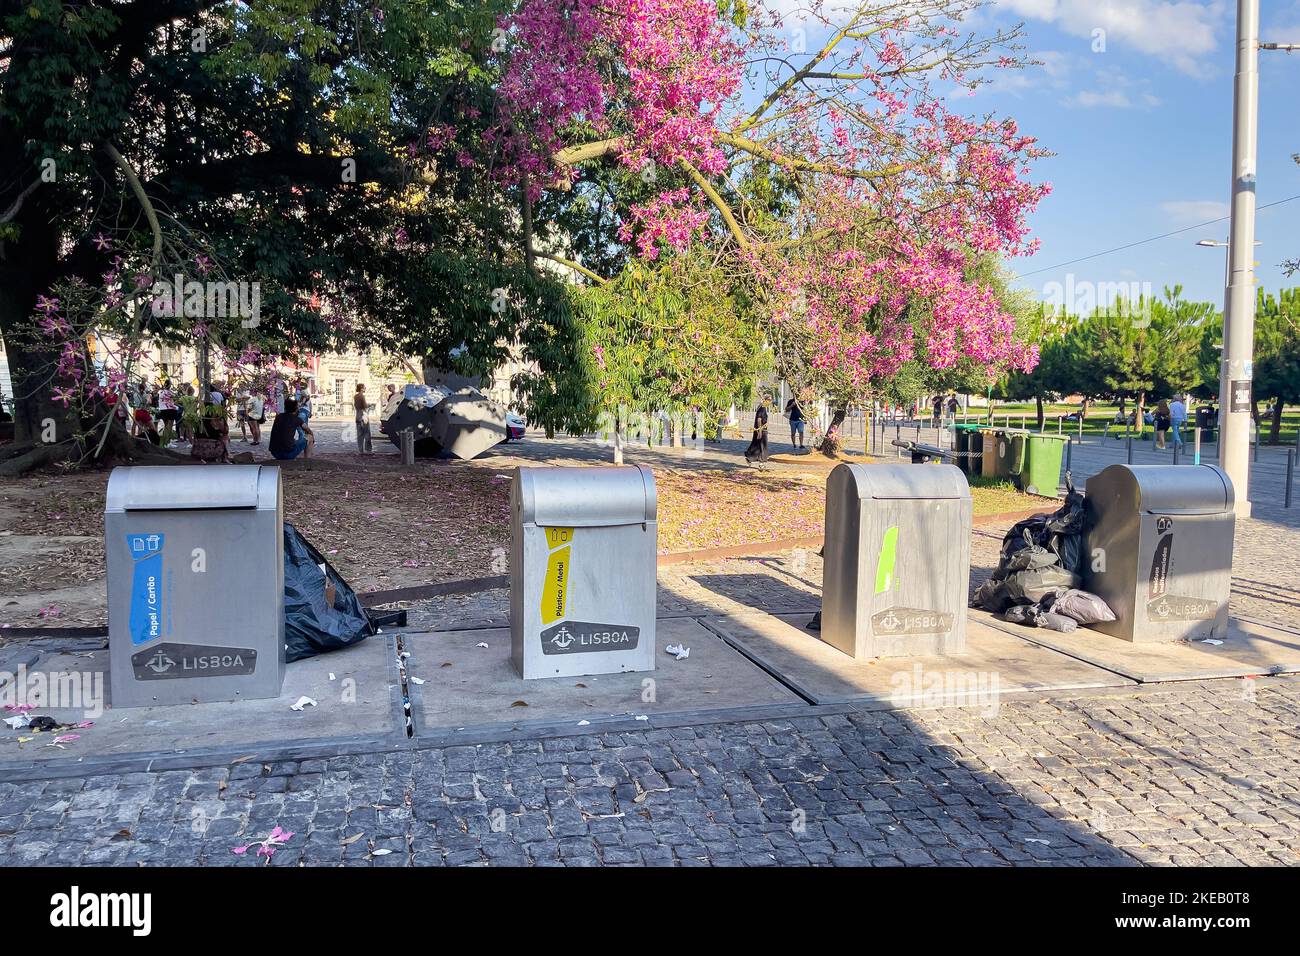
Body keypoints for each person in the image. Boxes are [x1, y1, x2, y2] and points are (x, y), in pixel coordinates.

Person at [744, 396, 769, 465]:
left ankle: (749, 458)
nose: (770, 402)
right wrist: (760, 431)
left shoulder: (761, 407)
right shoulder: (762, 408)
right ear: (765, 400)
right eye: (769, 400)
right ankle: (761, 462)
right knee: (763, 446)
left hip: (758, 429)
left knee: (756, 445)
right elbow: (759, 420)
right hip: (761, 430)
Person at [354, 383, 374, 454]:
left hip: (358, 415)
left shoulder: (355, 396)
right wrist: (369, 405)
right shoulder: (362, 396)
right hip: (364, 415)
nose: (365, 388)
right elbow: (365, 406)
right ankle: (368, 450)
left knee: (359, 434)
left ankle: (360, 450)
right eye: (364, 387)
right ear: (361, 388)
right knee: (367, 433)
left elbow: (356, 405)